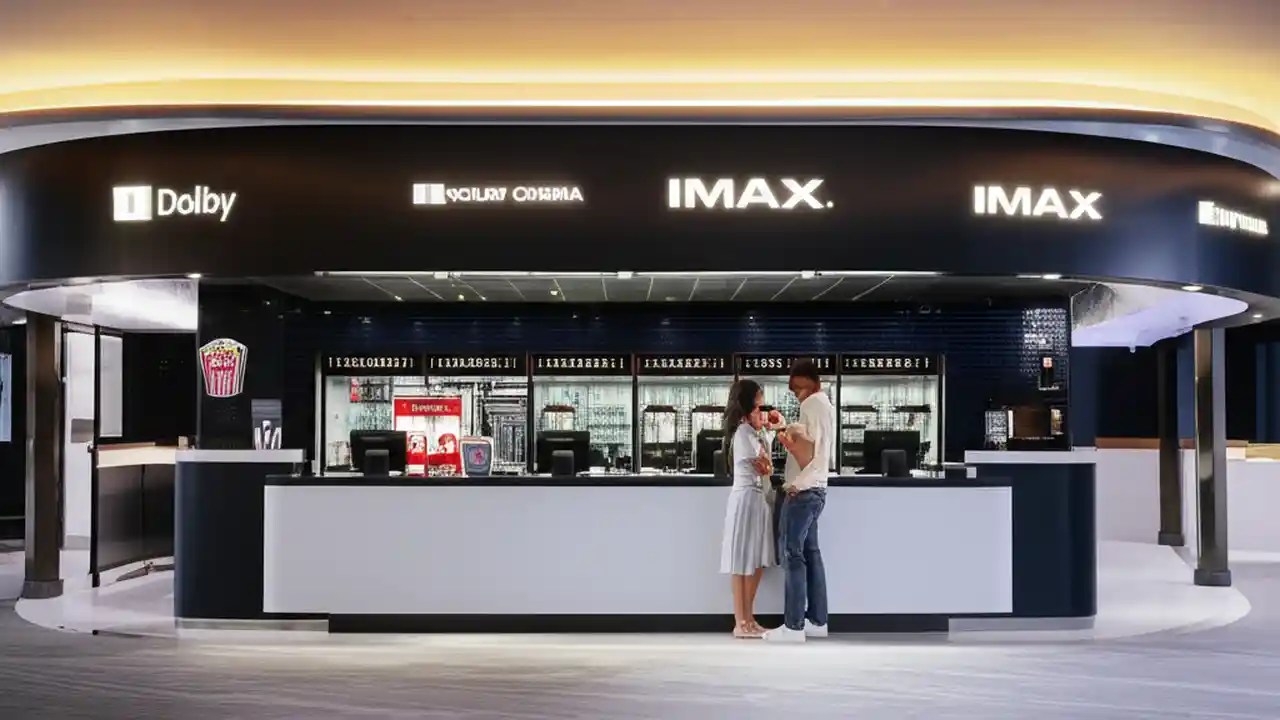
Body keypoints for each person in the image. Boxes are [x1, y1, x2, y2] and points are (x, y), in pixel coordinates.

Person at [764, 358, 835, 643]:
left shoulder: (812, 405)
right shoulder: (824, 406)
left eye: (798, 388)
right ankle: (817, 620)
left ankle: (793, 625)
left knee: (792, 555)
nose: (797, 394)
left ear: (811, 382)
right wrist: (785, 426)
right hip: (816, 490)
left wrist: (797, 484)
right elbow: (814, 442)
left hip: (804, 491)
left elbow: (815, 454)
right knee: (811, 554)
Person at [719, 379, 785, 639]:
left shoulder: (755, 431)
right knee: (742, 560)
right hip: (746, 500)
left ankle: (750, 618)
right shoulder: (744, 432)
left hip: (759, 500)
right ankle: (741, 621)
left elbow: (767, 462)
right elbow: (765, 466)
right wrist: (764, 440)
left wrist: (770, 428)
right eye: (759, 398)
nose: (762, 404)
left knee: (756, 560)